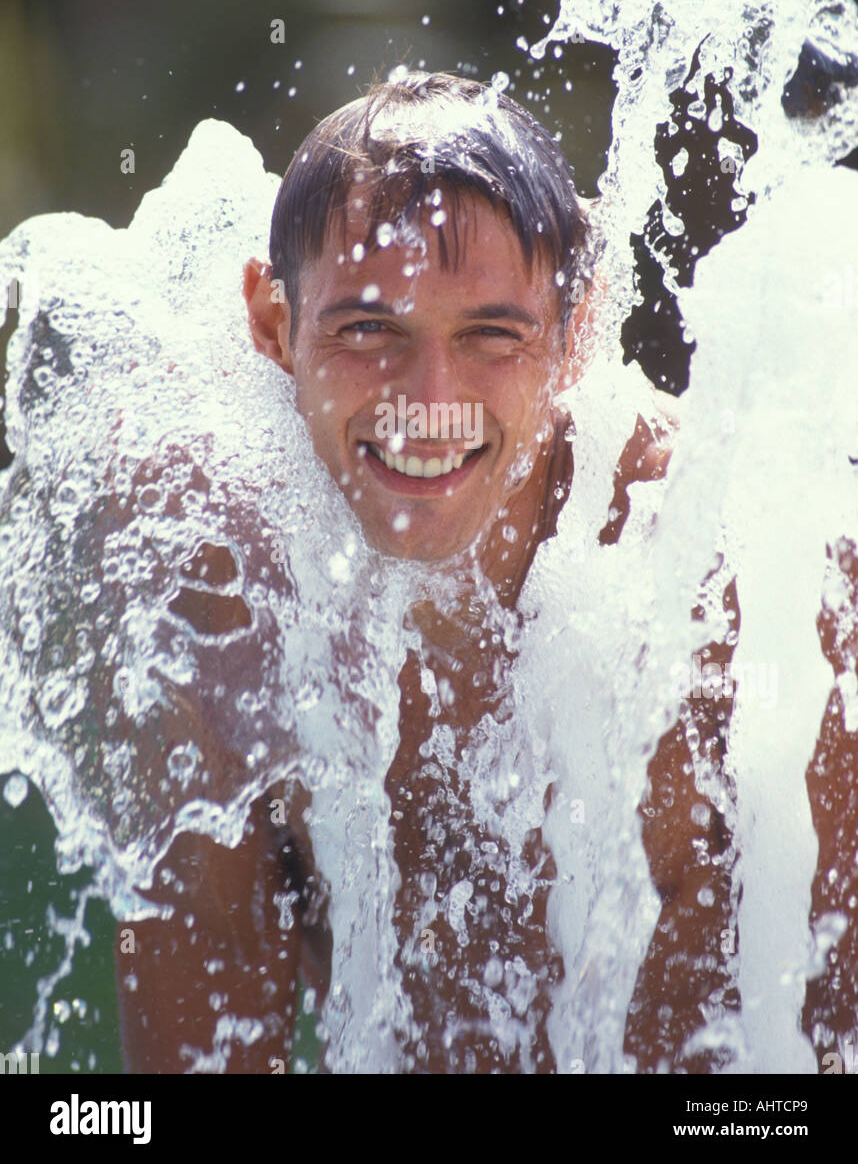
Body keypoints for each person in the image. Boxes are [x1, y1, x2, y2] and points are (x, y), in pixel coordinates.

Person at [114, 70, 856, 1074]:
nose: (430, 397)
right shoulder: (226, 594)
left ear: (576, 329)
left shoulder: (750, 580)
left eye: (492, 335)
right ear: (273, 323)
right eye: (368, 330)